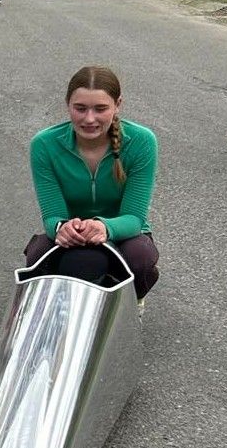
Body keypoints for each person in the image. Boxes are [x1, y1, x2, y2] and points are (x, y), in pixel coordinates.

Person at [26, 66, 160, 300]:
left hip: (123, 231)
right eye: (80, 108)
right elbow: (52, 216)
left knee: (140, 257)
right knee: (44, 258)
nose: (89, 119)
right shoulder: (44, 144)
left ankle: (130, 301)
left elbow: (134, 218)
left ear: (118, 105)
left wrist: (103, 227)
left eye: (100, 109)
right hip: (73, 230)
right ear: (68, 104)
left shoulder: (141, 141)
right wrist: (62, 228)